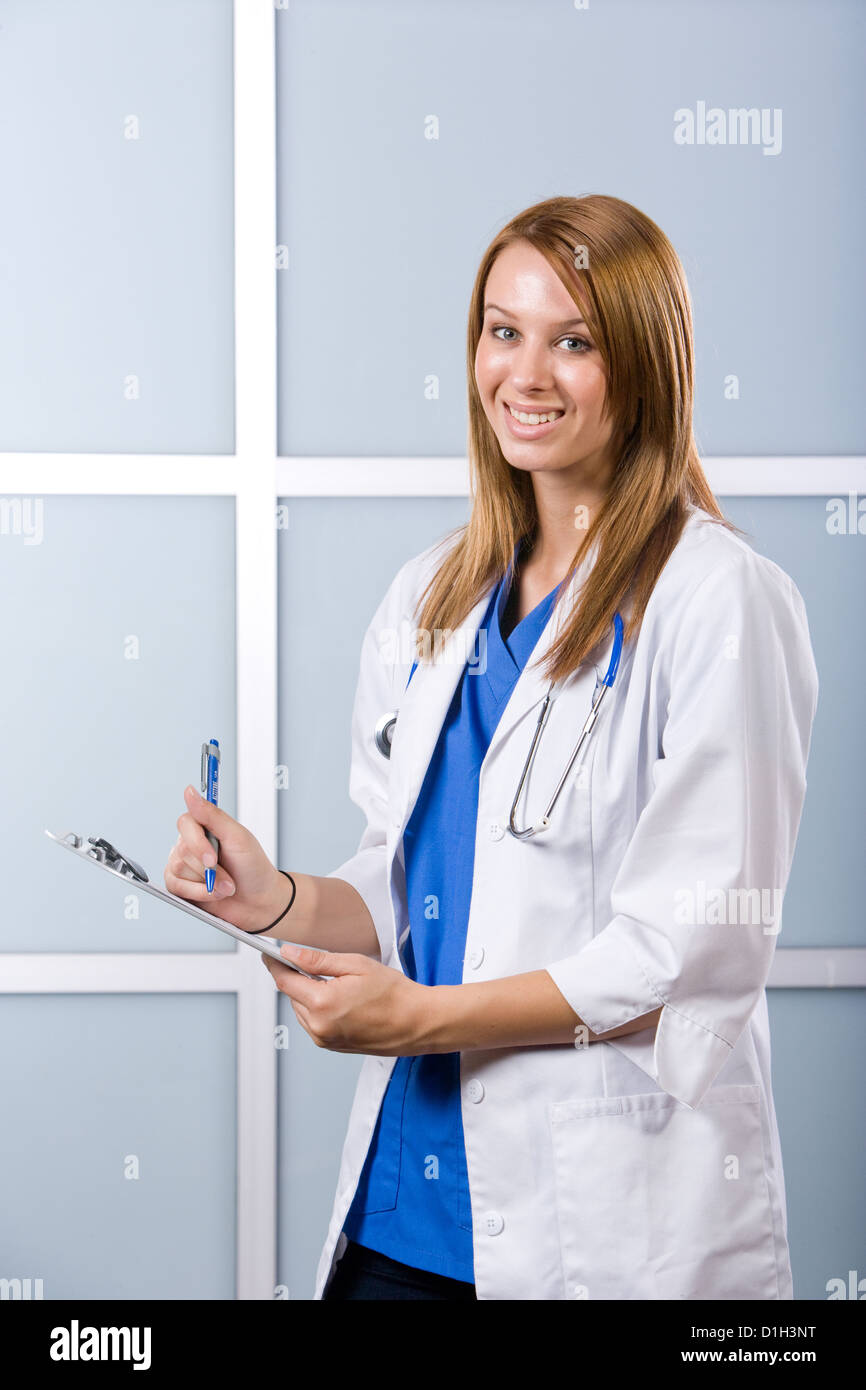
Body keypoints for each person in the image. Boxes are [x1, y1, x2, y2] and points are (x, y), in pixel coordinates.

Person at [165, 194, 819, 1301]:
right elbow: (408, 887)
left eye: (574, 341)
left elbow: (691, 956)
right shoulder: (433, 593)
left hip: (609, 1229)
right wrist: (271, 897)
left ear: (646, 363)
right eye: (501, 329)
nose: (525, 373)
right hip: (400, 1223)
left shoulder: (718, 600)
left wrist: (416, 1017)